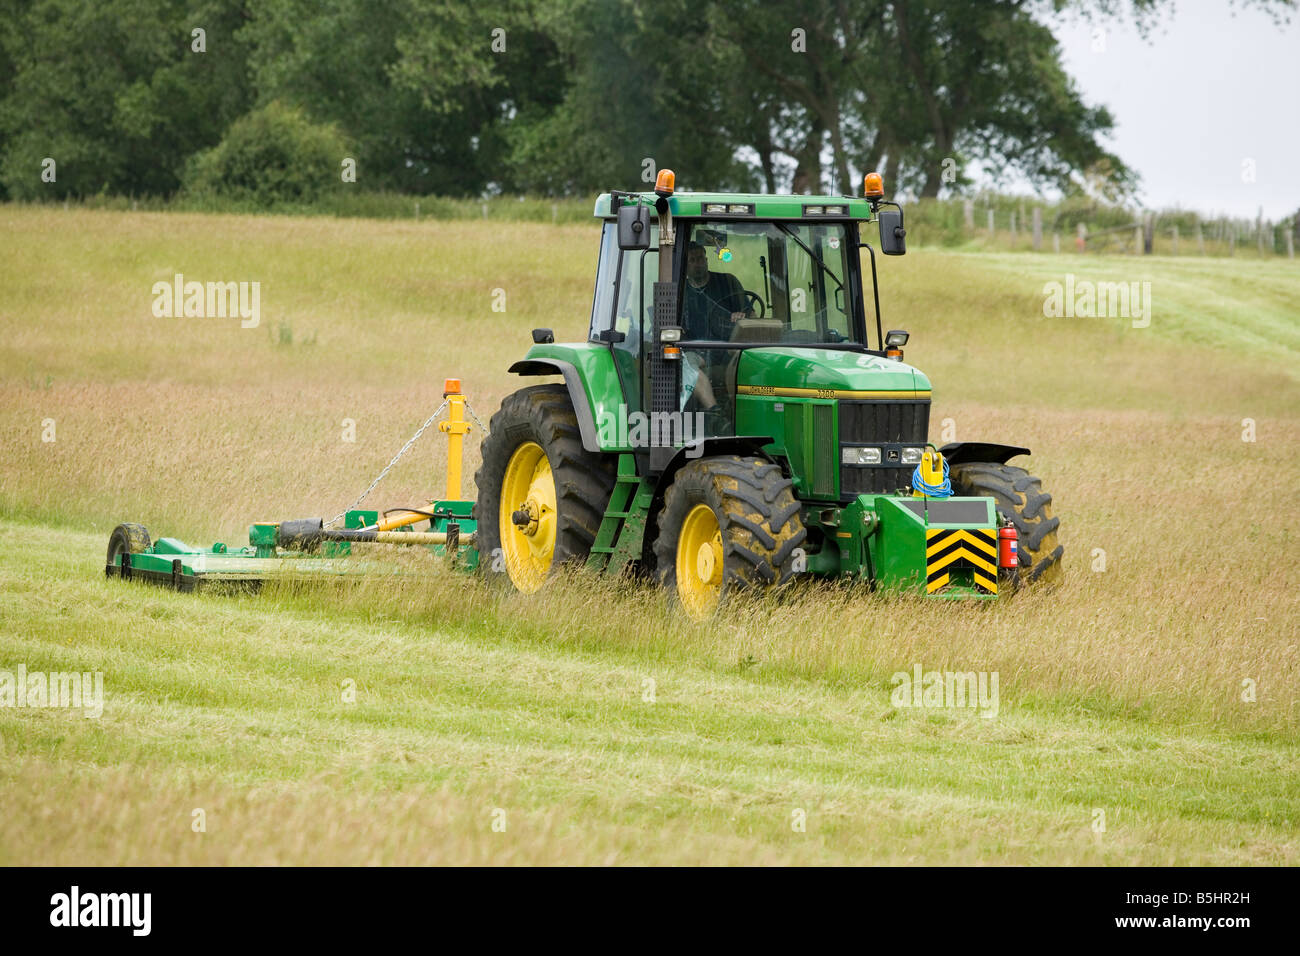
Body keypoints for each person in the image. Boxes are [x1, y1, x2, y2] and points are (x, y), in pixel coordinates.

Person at [681, 241, 750, 340]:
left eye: (700, 259)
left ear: (706, 260)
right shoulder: (680, 290)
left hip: (728, 347)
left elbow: (750, 315)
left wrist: (740, 317)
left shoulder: (728, 282)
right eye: (692, 260)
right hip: (691, 349)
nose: (697, 264)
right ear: (685, 266)